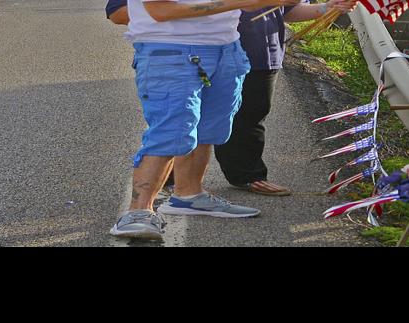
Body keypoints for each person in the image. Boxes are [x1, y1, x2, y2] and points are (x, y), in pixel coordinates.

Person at [110, 0, 303, 241]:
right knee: (171, 130)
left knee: (210, 128)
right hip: (171, 49)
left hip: (226, 48)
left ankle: (189, 195)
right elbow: (160, 10)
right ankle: (138, 212)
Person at [222, 0, 358, 196]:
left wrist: (327, 7)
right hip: (222, 50)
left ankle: (247, 175)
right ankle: (176, 175)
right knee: (199, 114)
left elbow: (288, 10)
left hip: (264, 53)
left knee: (251, 116)